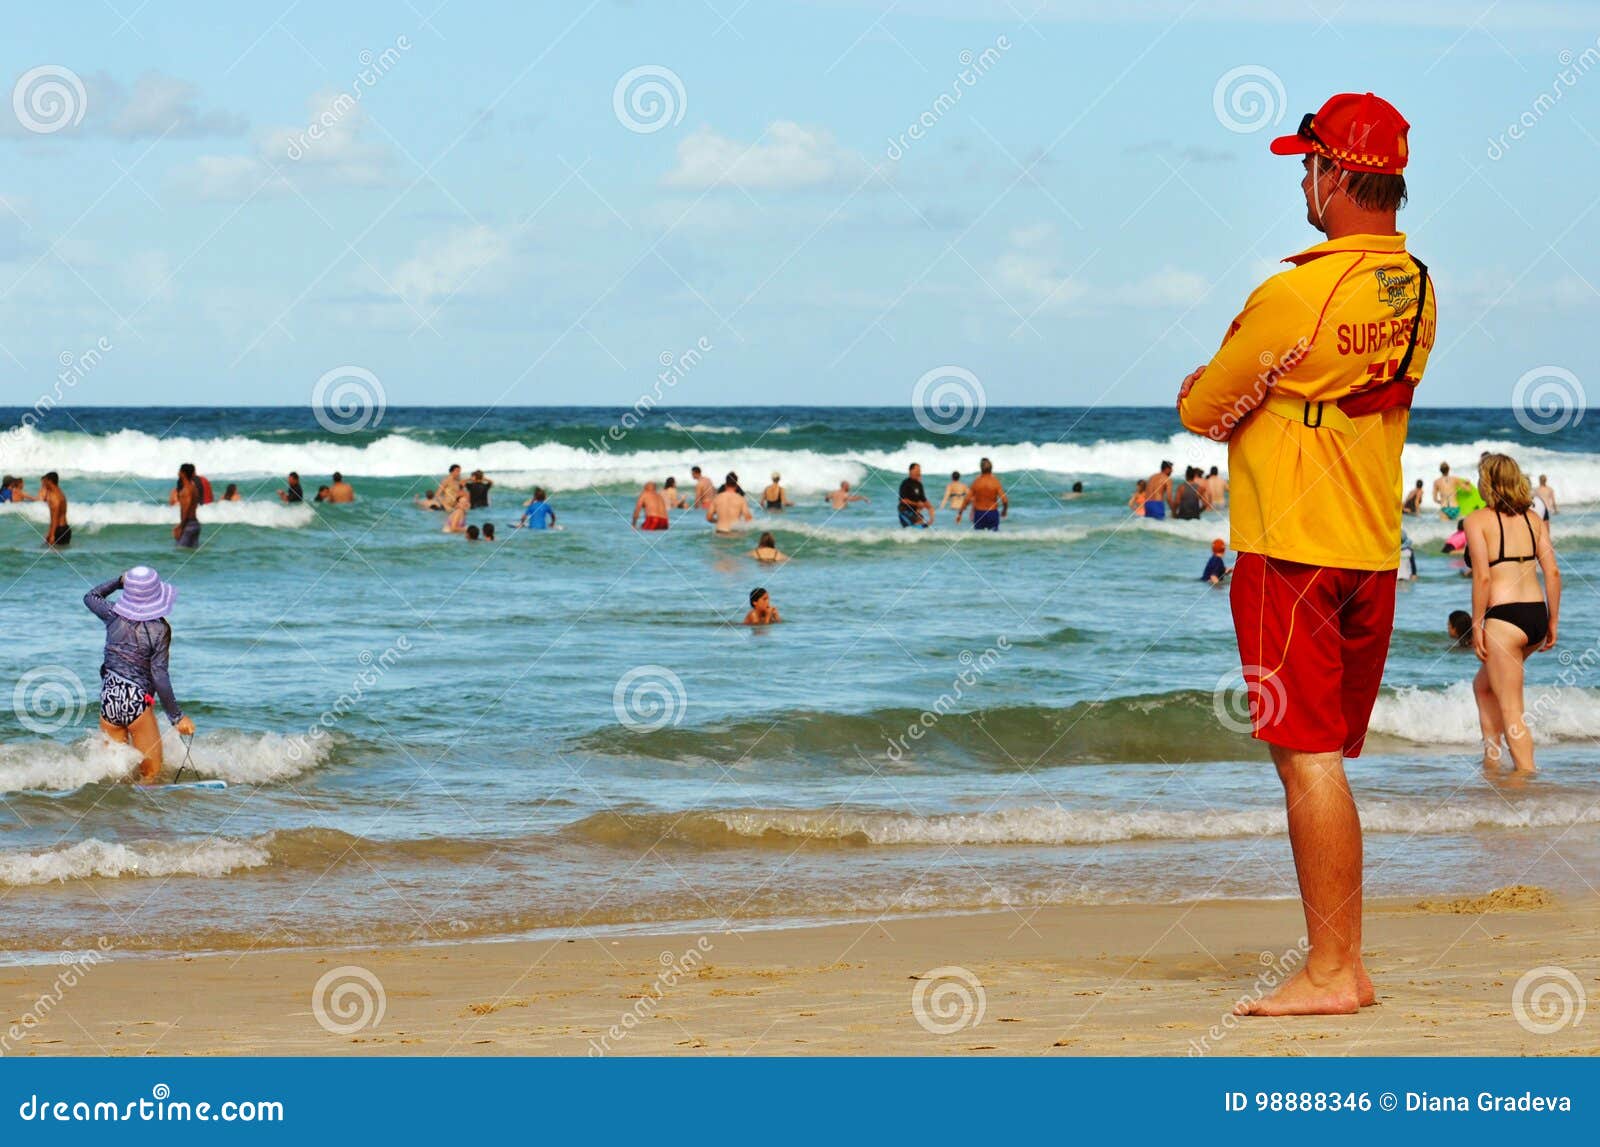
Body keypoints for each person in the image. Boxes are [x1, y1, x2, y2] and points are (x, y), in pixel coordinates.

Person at [1178, 92, 1435, 1016]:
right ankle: (1343, 961)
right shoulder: (1418, 287)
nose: (1300, 177)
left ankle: (1333, 970)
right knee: (1322, 756)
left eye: (1306, 163)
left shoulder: (1294, 290)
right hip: (1369, 547)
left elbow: (1204, 408)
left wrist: (1220, 391)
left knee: (1307, 760)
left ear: (1334, 174)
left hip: (1291, 546)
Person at [1463, 454, 1560, 774]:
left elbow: (1483, 577)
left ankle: (1527, 775)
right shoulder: (1533, 518)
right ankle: (1492, 759)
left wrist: (1477, 623)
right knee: (1484, 687)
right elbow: (1553, 573)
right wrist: (1553, 621)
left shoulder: (1477, 520)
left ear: (1487, 482)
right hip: (1535, 617)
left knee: (1511, 708)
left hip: (1504, 619)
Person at [84, 567, 195, 784]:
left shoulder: (112, 613)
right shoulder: (160, 630)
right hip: (136, 703)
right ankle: (144, 815)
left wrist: (118, 581)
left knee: (117, 778)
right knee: (151, 775)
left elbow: (90, 597)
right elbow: (159, 676)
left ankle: (117, 817)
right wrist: (177, 717)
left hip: (109, 699)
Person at [959, 457, 1008, 530]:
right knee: (993, 537)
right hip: (992, 513)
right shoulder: (995, 482)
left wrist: (960, 513)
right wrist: (1004, 511)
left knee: (979, 539)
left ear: (981, 469)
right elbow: (1005, 500)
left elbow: (967, 499)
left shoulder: (977, 482)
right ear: (991, 469)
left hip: (979, 513)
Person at [174, 463, 201, 549]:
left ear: (182, 473)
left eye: (179, 471)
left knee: (180, 551)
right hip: (195, 524)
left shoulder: (186, 490)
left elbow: (186, 509)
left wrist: (180, 527)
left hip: (188, 525)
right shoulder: (194, 488)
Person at [40, 472, 70, 547]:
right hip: (64, 528)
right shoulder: (59, 492)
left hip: (59, 530)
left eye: (44, 482)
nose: (43, 484)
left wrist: (52, 535)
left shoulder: (54, 497)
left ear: (49, 481)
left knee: (52, 554)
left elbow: (55, 518)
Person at [898, 463, 933, 528]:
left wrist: (931, 517)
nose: (919, 473)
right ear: (911, 471)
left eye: (919, 471)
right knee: (917, 526)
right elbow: (903, 500)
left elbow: (925, 502)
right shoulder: (905, 484)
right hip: (904, 512)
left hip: (914, 514)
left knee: (923, 525)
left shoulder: (919, 485)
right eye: (917, 471)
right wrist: (917, 504)